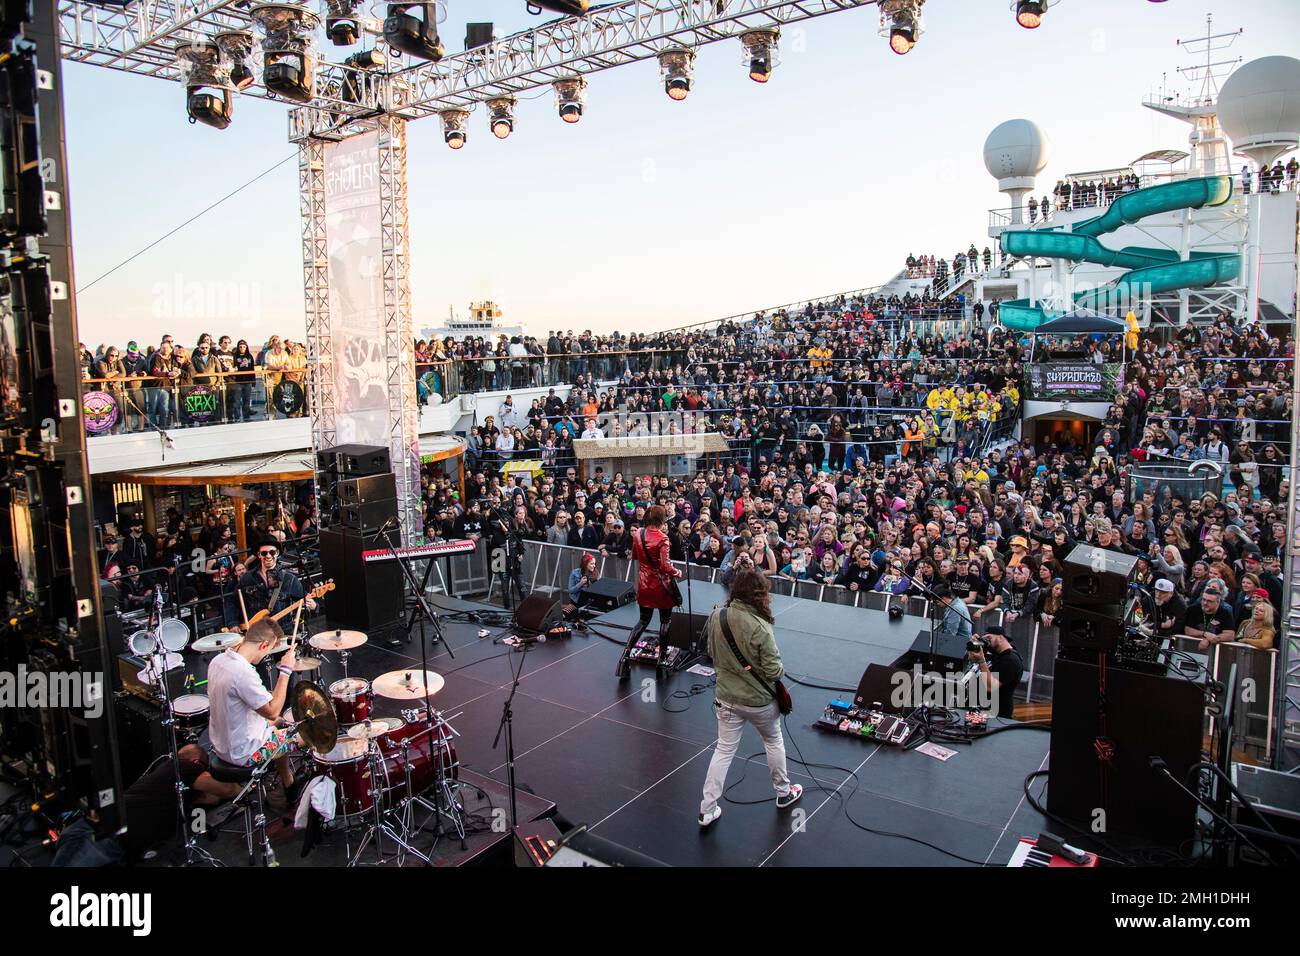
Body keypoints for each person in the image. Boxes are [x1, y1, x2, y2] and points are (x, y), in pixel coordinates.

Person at [698, 569, 802, 828]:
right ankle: (783, 793)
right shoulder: (759, 625)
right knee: (773, 741)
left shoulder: (716, 615)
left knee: (723, 750)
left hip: (726, 697)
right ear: (760, 594)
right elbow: (774, 671)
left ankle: (707, 809)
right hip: (759, 702)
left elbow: (710, 652)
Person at [206, 618, 299, 796]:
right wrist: (286, 670)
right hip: (244, 753)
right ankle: (295, 787)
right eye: (269, 650)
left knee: (280, 724)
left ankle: (288, 783)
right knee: (304, 732)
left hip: (222, 745)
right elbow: (272, 711)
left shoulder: (218, 661)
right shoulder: (242, 672)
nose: (266, 656)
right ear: (264, 645)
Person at [616, 504, 682, 683]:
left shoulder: (638, 533)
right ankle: (662, 661)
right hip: (661, 586)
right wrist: (677, 572)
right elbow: (665, 566)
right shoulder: (663, 538)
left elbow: (636, 556)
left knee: (643, 621)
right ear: (662, 520)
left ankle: (624, 658)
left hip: (644, 584)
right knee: (665, 621)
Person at [237, 541, 314, 623]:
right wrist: (233, 623)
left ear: (277, 553)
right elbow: (232, 601)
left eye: (272, 552)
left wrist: (313, 606)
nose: (268, 556)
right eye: (264, 553)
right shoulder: (247, 578)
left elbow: (304, 600)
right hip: (256, 630)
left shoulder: (289, 578)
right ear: (259, 555)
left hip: (282, 630)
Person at [967, 624, 1022, 719]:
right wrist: (973, 646)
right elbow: (971, 658)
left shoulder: (1010, 660)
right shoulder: (997, 652)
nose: (988, 642)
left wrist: (981, 661)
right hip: (982, 707)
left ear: (1001, 637)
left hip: (996, 715)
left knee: (978, 732)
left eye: (989, 638)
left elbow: (991, 687)